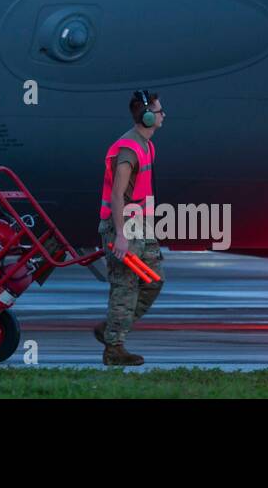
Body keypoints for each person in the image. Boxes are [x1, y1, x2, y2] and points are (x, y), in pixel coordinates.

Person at [94, 90, 166, 365]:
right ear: (147, 117)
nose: (163, 115)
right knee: (125, 287)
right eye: (159, 112)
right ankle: (114, 349)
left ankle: (112, 329)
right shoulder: (129, 150)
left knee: (154, 280)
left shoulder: (146, 145)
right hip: (124, 228)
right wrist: (121, 236)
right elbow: (117, 195)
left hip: (142, 226)